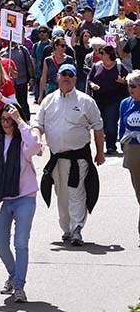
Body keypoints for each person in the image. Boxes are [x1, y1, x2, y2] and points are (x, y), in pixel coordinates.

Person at [32, 63, 105, 246]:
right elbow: (37, 125)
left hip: (78, 157)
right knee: (61, 194)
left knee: (76, 193)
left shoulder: (85, 101)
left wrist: (100, 152)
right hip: (57, 158)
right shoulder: (48, 100)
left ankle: (77, 228)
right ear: (57, 77)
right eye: (63, 74)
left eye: (70, 75)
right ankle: (66, 228)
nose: (66, 77)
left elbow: (98, 127)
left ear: (75, 78)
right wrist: (37, 140)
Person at [0, 105, 41, 303]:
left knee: (21, 243)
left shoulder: (24, 140)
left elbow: (35, 145)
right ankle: (13, 274)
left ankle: (20, 285)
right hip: (0, 200)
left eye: (10, 119)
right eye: (3, 119)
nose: (6, 123)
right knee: (1, 245)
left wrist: (21, 121)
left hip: (25, 197)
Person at [87, 44, 128, 155]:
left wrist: (123, 81)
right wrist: (92, 85)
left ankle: (111, 146)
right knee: (102, 123)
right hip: (99, 99)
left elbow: (128, 80)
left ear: (109, 54)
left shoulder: (119, 66)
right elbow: (89, 79)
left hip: (114, 100)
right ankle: (105, 142)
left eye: (102, 53)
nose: (99, 55)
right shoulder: (96, 66)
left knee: (111, 122)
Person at [118, 71, 140, 244]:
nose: (130, 90)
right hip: (132, 151)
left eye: (133, 86)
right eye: (128, 87)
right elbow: (121, 127)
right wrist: (123, 145)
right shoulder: (125, 104)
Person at [4, 41, 35, 121]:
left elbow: (29, 64)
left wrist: (32, 77)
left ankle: (27, 120)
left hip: (22, 81)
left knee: (23, 102)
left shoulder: (22, 50)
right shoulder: (3, 52)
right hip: (9, 84)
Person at [37, 36, 75, 101]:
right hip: (51, 89)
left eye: (66, 46)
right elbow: (43, 78)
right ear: (56, 46)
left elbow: (73, 76)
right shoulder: (48, 60)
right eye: (62, 46)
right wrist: (40, 95)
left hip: (65, 88)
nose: (64, 48)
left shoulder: (69, 60)